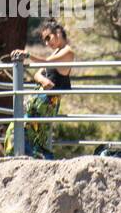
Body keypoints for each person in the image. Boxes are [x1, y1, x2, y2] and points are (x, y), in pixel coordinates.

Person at [4, 19, 75, 159]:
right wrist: (43, 79)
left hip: (47, 105)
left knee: (36, 139)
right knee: (15, 129)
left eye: (48, 38)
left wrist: (27, 55)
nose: (47, 43)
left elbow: (46, 63)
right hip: (36, 102)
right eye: (45, 40)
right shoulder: (55, 53)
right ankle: (18, 159)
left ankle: (38, 165)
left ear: (58, 32)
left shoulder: (67, 52)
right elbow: (37, 73)